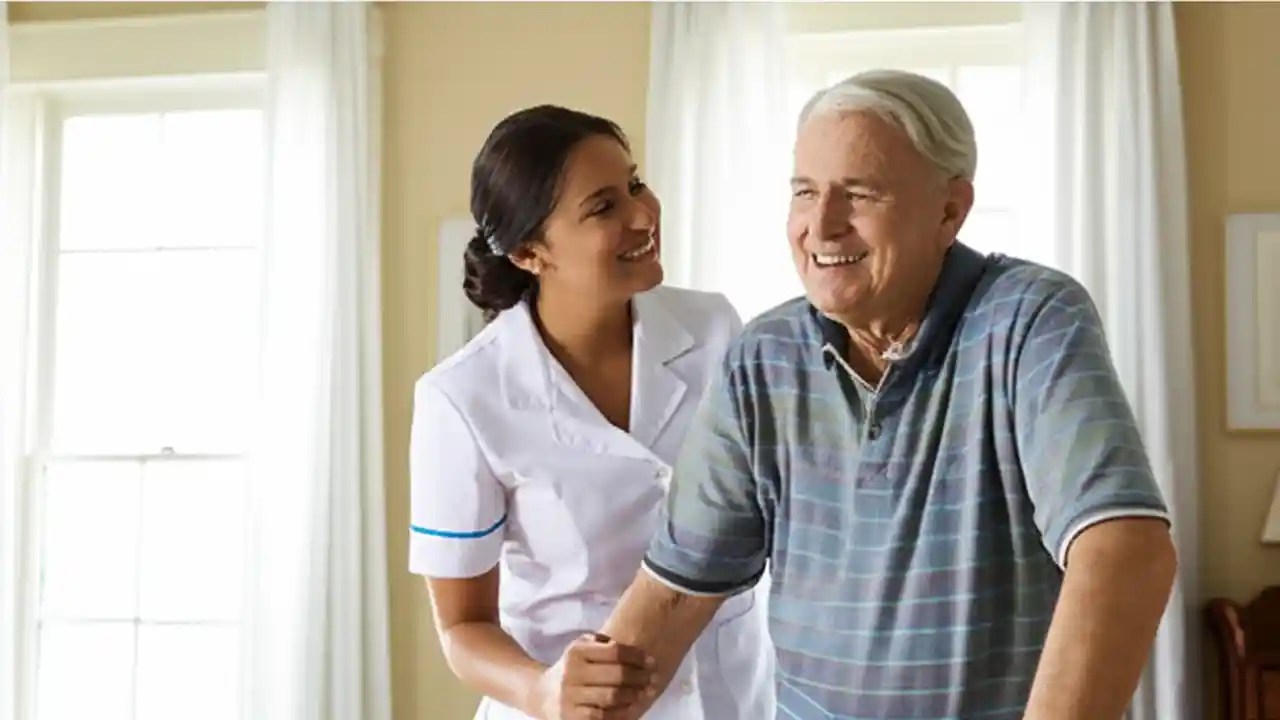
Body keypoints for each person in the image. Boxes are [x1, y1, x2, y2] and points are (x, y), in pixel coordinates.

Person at [583, 70, 1178, 720]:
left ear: (950, 210)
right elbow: (673, 593)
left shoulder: (1029, 318)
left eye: (859, 194)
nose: (822, 225)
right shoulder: (765, 356)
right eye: (805, 192)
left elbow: (1124, 550)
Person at [407, 105, 774, 720]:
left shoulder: (713, 327)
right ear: (529, 252)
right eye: (604, 207)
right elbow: (462, 626)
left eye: (635, 184)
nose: (643, 213)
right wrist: (538, 690)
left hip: (731, 697)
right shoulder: (463, 397)